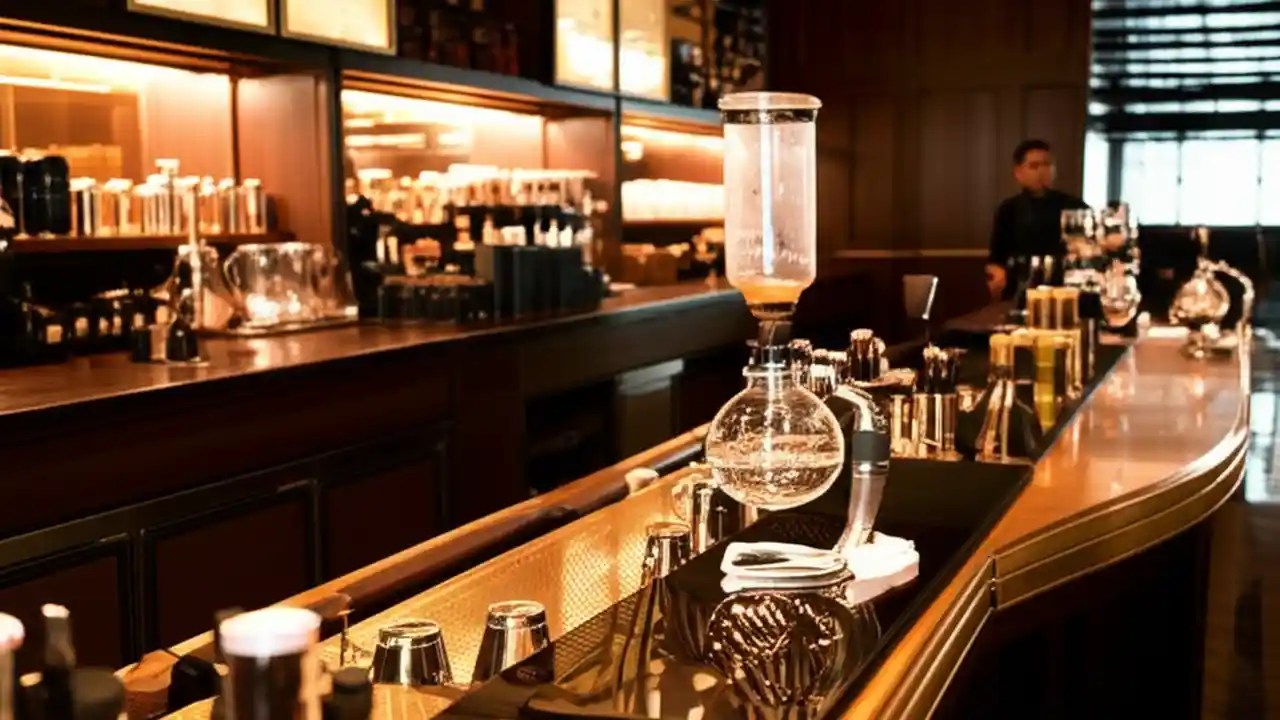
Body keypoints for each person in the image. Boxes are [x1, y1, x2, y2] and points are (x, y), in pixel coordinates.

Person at [985, 139, 1088, 300]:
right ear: (1018, 172)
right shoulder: (1009, 208)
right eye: (1034, 166)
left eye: (1047, 165)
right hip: (1020, 286)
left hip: (1065, 287)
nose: (1042, 171)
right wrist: (996, 276)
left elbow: (1086, 249)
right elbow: (996, 257)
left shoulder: (1075, 206)